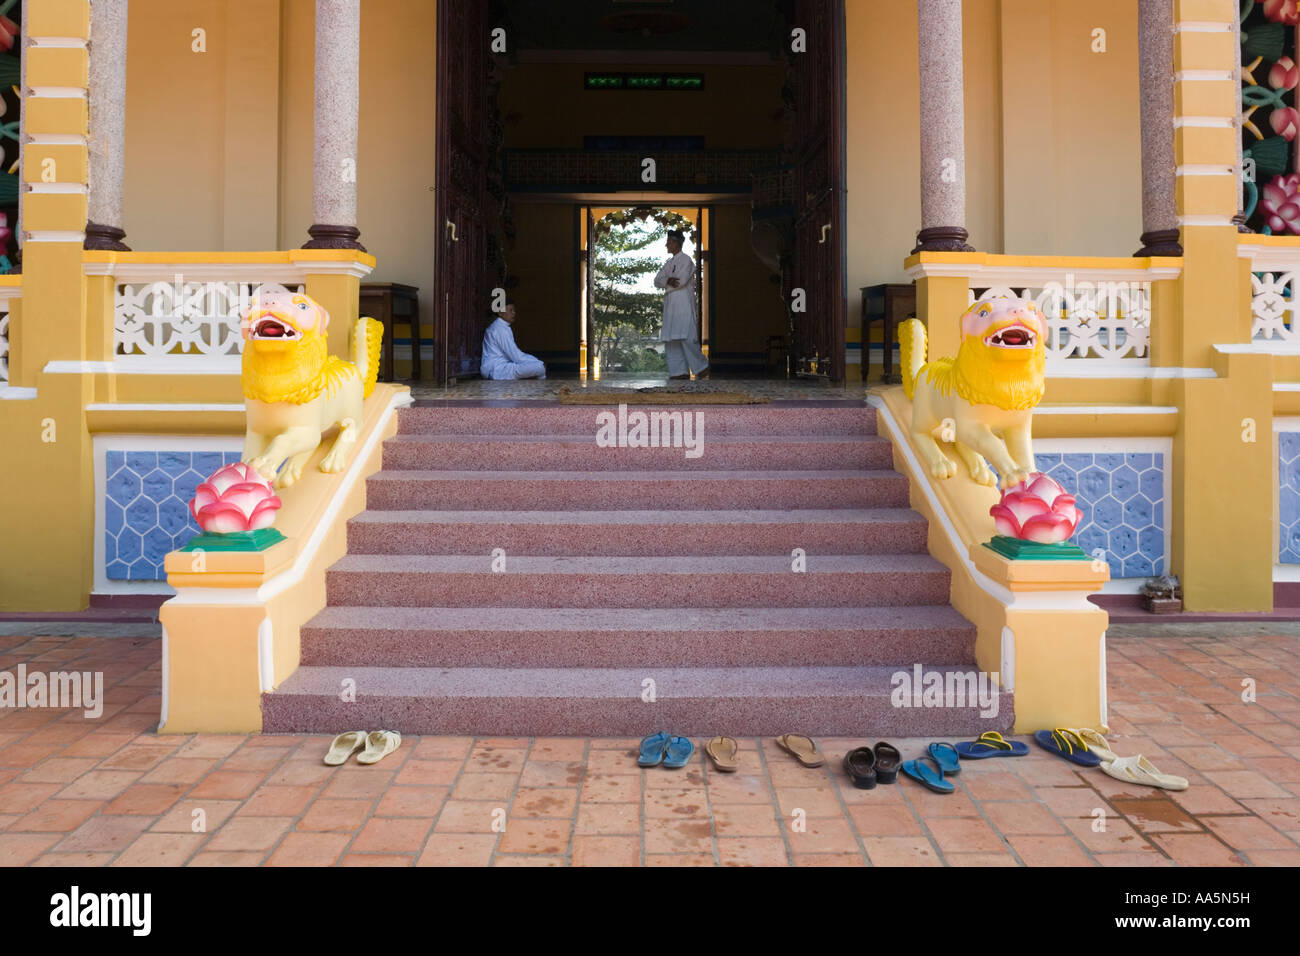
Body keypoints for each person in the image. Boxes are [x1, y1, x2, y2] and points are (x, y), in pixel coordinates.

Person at [653, 230, 709, 380]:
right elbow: (657, 280)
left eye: (669, 242)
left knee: (686, 335)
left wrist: (668, 281)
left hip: (683, 302)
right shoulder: (669, 263)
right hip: (670, 304)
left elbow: (681, 280)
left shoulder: (687, 261)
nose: (666, 245)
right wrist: (667, 281)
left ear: (675, 243)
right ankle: (679, 372)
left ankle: (701, 367)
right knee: (672, 339)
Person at [480, 299, 546, 380]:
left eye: (514, 310)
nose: (514, 313)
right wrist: (537, 361)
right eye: (510, 310)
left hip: (502, 367)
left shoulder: (501, 326)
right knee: (539, 367)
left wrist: (535, 361)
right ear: (500, 313)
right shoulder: (499, 329)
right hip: (497, 369)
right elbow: (515, 356)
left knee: (538, 366)